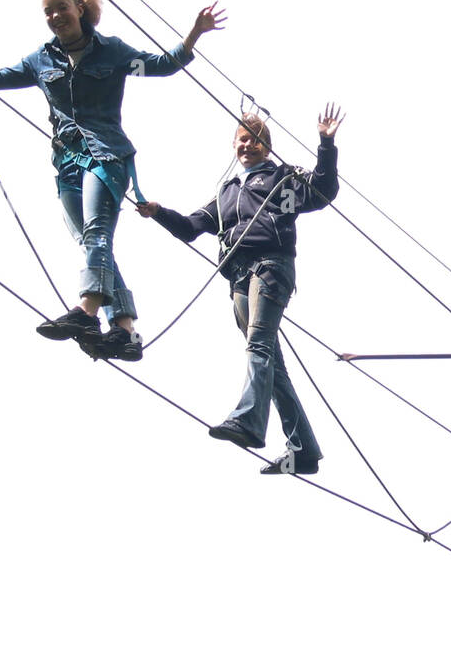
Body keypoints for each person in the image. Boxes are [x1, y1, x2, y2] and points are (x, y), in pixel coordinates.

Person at [0, 0, 223, 361]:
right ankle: (123, 328)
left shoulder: (112, 52)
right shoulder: (41, 60)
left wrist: (194, 33)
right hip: (67, 164)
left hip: (107, 156)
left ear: (79, 8)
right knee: (93, 243)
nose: (55, 17)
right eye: (48, 12)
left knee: (96, 234)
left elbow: (164, 65)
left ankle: (87, 312)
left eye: (61, 8)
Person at [136, 106, 343, 474]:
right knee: (272, 366)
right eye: (243, 139)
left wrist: (326, 144)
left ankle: (249, 420)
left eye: (256, 140)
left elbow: (323, 191)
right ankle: (304, 449)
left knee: (258, 345)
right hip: (239, 276)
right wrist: (158, 212)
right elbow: (189, 227)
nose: (248, 145)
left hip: (271, 266)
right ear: (234, 145)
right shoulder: (228, 192)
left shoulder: (281, 181)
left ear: (267, 147)